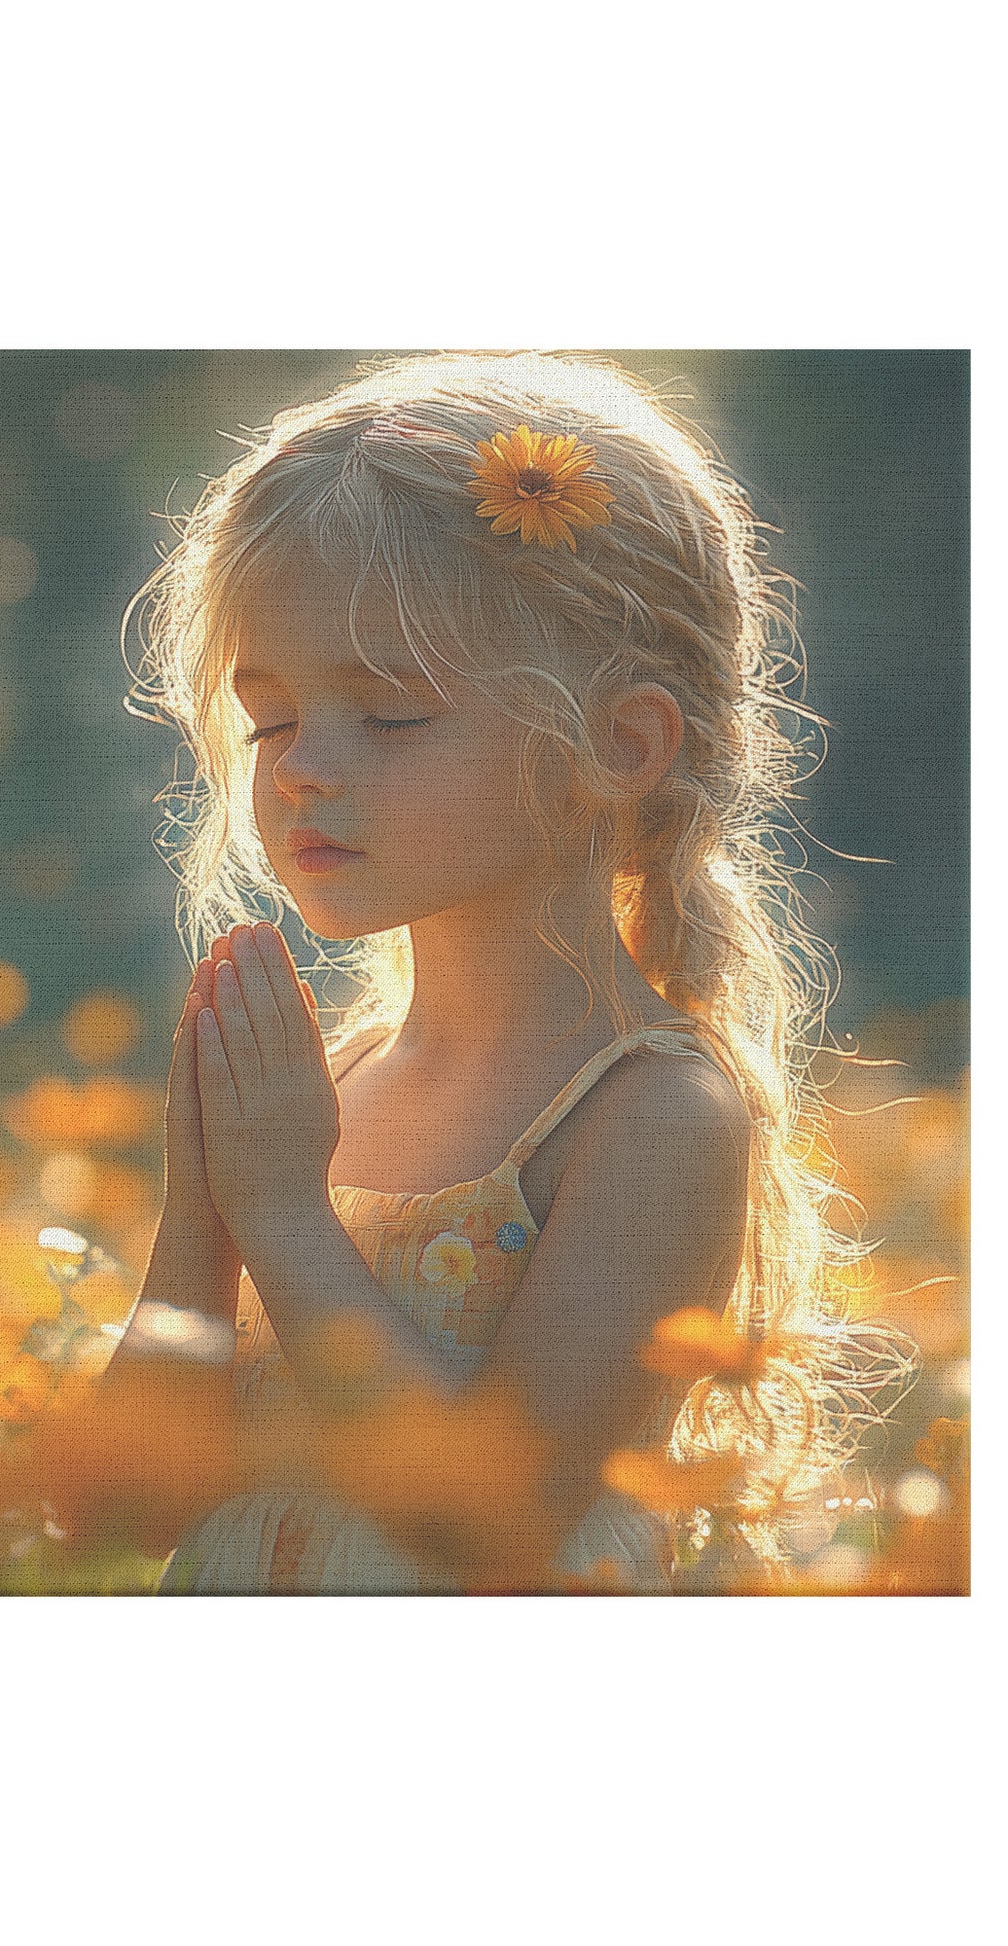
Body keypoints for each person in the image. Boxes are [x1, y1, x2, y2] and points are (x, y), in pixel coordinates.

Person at [105, 350, 906, 1593]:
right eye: (268, 718)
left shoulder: (650, 1113)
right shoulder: (325, 1084)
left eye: (389, 716)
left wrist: (276, 1209)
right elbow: (129, 1498)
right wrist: (200, 1198)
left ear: (617, 744)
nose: (302, 766)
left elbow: (494, 1521)